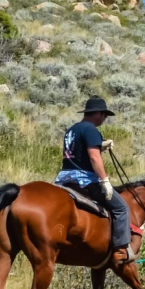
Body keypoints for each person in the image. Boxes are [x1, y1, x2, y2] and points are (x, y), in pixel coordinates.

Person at [55, 96, 130, 263]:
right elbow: (94, 157)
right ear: (97, 114)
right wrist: (104, 180)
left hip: (64, 178)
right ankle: (120, 250)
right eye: (104, 115)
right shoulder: (90, 130)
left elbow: (78, 150)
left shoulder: (72, 129)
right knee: (122, 208)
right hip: (84, 179)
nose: (104, 119)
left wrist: (101, 144)